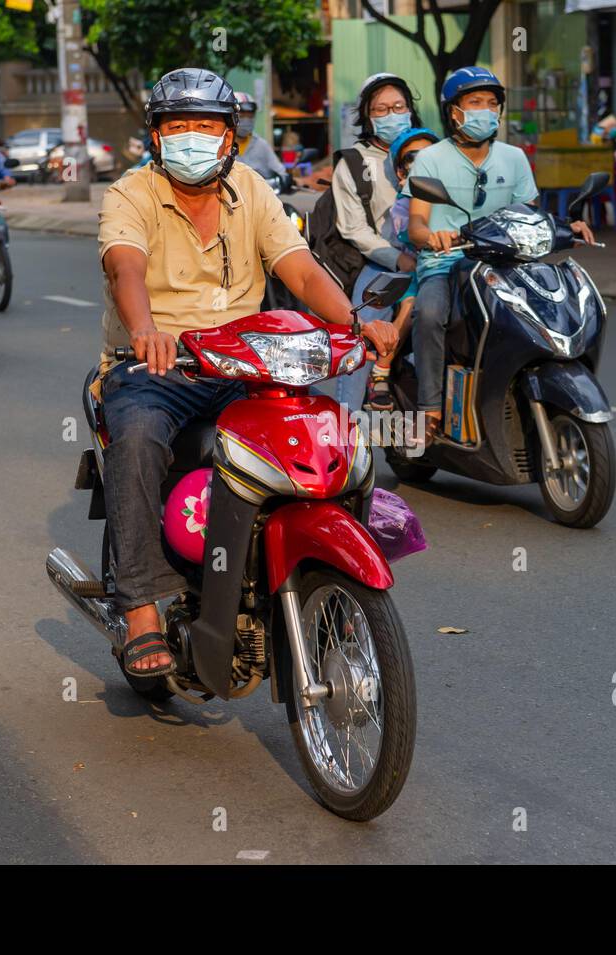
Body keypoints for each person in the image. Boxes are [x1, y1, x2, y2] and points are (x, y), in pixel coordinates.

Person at [96, 67, 397, 676]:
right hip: (159, 365)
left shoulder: (253, 189)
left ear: (229, 135)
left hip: (244, 361)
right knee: (135, 439)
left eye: (204, 126)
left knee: (327, 430)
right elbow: (124, 267)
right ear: (156, 136)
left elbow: (303, 271)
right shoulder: (130, 193)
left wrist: (357, 319)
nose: (191, 138)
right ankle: (140, 612)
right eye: (177, 126)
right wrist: (145, 333)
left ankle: (316, 563)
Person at [407, 66, 594, 442]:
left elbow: (530, 214)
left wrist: (564, 226)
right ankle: (428, 409)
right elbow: (415, 226)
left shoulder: (514, 158)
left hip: (507, 264)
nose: (485, 111)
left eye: (492, 104)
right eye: (475, 102)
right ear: (453, 111)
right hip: (448, 264)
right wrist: (434, 237)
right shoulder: (430, 160)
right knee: (428, 313)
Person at [328, 72, 424, 408]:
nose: (391, 115)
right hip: (384, 263)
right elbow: (354, 229)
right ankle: (347, 423)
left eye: (398, 106)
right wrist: (398, 259)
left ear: (410, 110)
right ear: (367, 117)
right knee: (361, 324)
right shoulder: (353, 163)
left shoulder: (433, 151)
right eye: (381, 109)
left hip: (439, 258)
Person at [365, 126, 439, 412]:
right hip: (417, 273)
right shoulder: (404, 204)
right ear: (400, 172)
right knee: (412, 307)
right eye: (413, 159)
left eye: (431, 156)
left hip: (453, 266)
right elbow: (411, 233)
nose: (423, 163)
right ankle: (382, 367)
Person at [232, 92, 288, 180]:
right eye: (242, 116)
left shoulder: (261, 145)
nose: (246, 121)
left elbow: (281, 173)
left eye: (250, 116)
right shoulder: (222, 145)